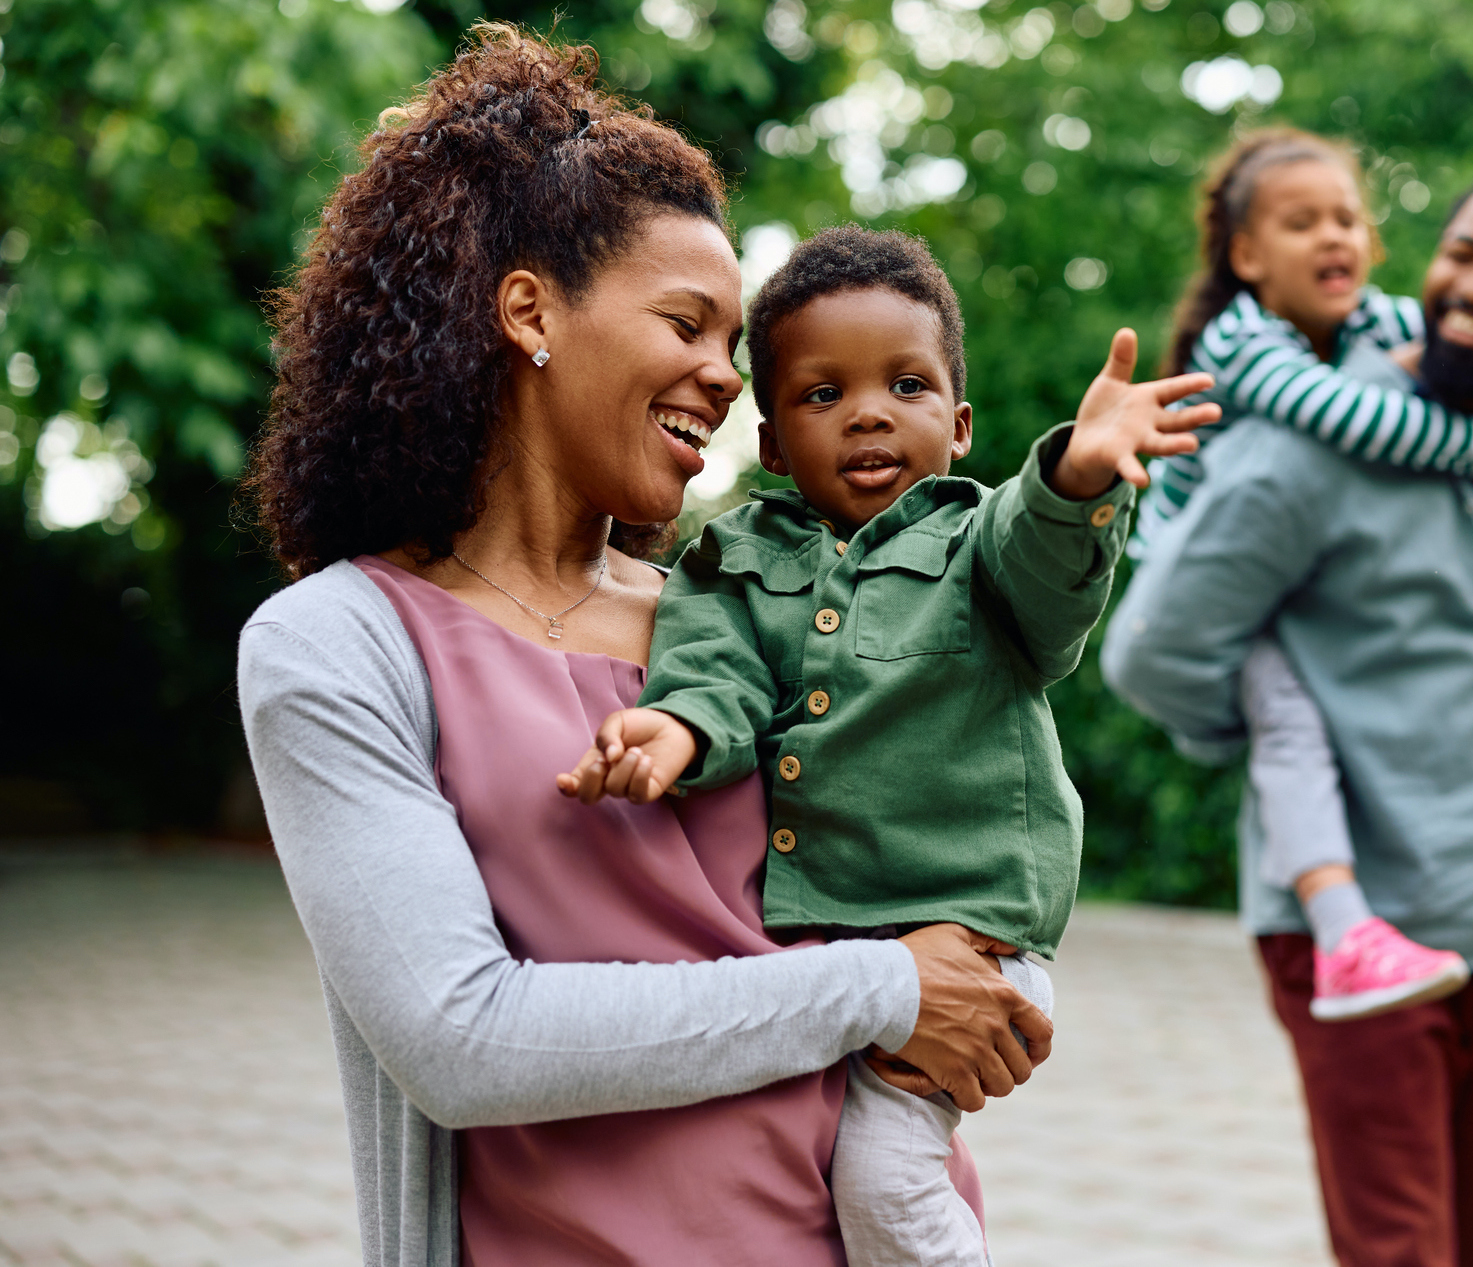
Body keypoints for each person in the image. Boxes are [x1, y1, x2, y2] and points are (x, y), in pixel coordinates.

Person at [237, 28, 1047, 1265]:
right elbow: (463, 1038)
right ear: (529, 312)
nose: (725, 381)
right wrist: (886, 987)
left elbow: (949, 816)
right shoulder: (338, 645)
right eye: (688, 324)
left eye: (735, 349)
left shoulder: (739, 619)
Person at [557, 225, 1219, 1267]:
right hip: (839, 950)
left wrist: (1081, 476)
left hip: (972, 939)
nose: (868, 410)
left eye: (905, 386)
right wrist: (673, 729)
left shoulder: (977, 546)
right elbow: (715, 673)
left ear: (957, 425)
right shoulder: (733, 559)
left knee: (881, 1179)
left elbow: (1046, 570)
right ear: (772, 444)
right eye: (823, 395)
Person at [1101, 162, 1473, 1266]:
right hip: (1362, 923)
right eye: (1463, 252)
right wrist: (1288, 732)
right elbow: (1153, 652)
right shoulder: (1306, 447)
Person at [1128, 130, 1473, 1023]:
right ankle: (1341, 923)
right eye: (1300, 222)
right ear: (1245, 255)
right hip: (1195, 568)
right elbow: (1365, 423)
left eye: (1347, 217)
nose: (1332, 237)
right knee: (1291, 722)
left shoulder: (1376, 321)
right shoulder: (1242, 344)